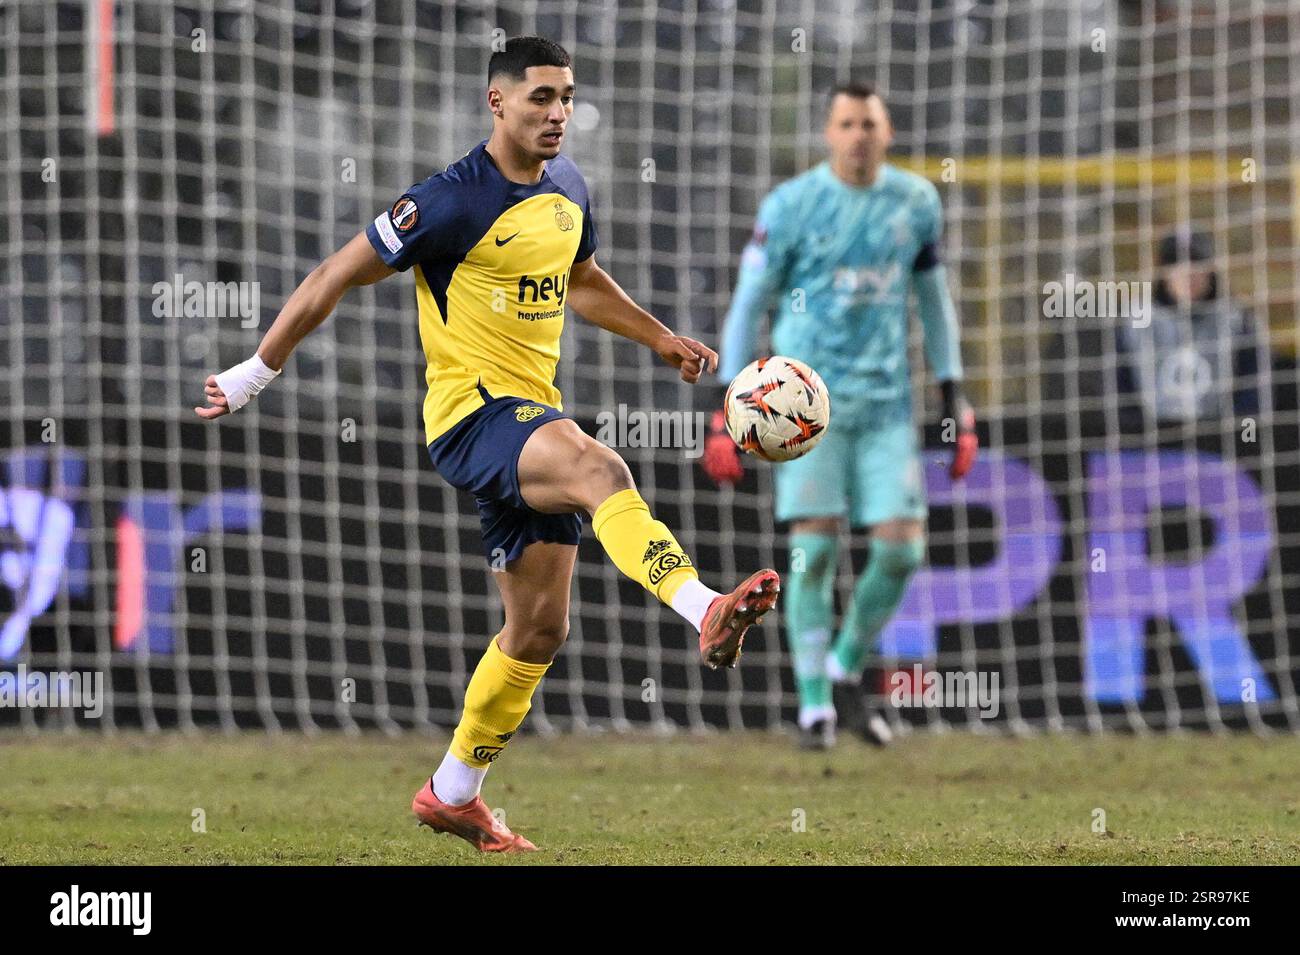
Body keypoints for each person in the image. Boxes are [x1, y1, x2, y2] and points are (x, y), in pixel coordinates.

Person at [196, 36, 780, 852]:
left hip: (529, 417)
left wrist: (660, 338)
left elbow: (579, 279)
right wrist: (256, 372)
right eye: (540, 97)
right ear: (496, 101)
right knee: (597, 464)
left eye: (567, 97)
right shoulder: (449, 201)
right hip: (472, 417)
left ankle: (452, 791)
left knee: (539, 628)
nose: (558, 113)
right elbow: (335, 272)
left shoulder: (568, 185)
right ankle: (704, 607)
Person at [703, 83, 975, 750]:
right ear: (828, 132)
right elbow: (749, 302)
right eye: (847, 123)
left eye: (871, 123)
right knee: (814, 548)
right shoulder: (793, 206)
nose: (859, 134)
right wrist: (724, 405)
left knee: (902, 548)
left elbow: (934, 302)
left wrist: (955, 394)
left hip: (886, 404)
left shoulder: (915, 202)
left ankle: (844, 663)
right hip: (802, 412)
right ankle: (816, 708)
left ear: (887, 131)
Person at [1116, 228, 1263, 427]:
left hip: (1219, 442)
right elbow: (1120, 392)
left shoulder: (1237, 320)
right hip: (1153, 444)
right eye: (1176, 264)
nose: (1187, 273)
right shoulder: (1135, 322)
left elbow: (1253, 394)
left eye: (1196, 263)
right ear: (1163, 273)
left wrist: (1238, 438)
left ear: (1210, 270)